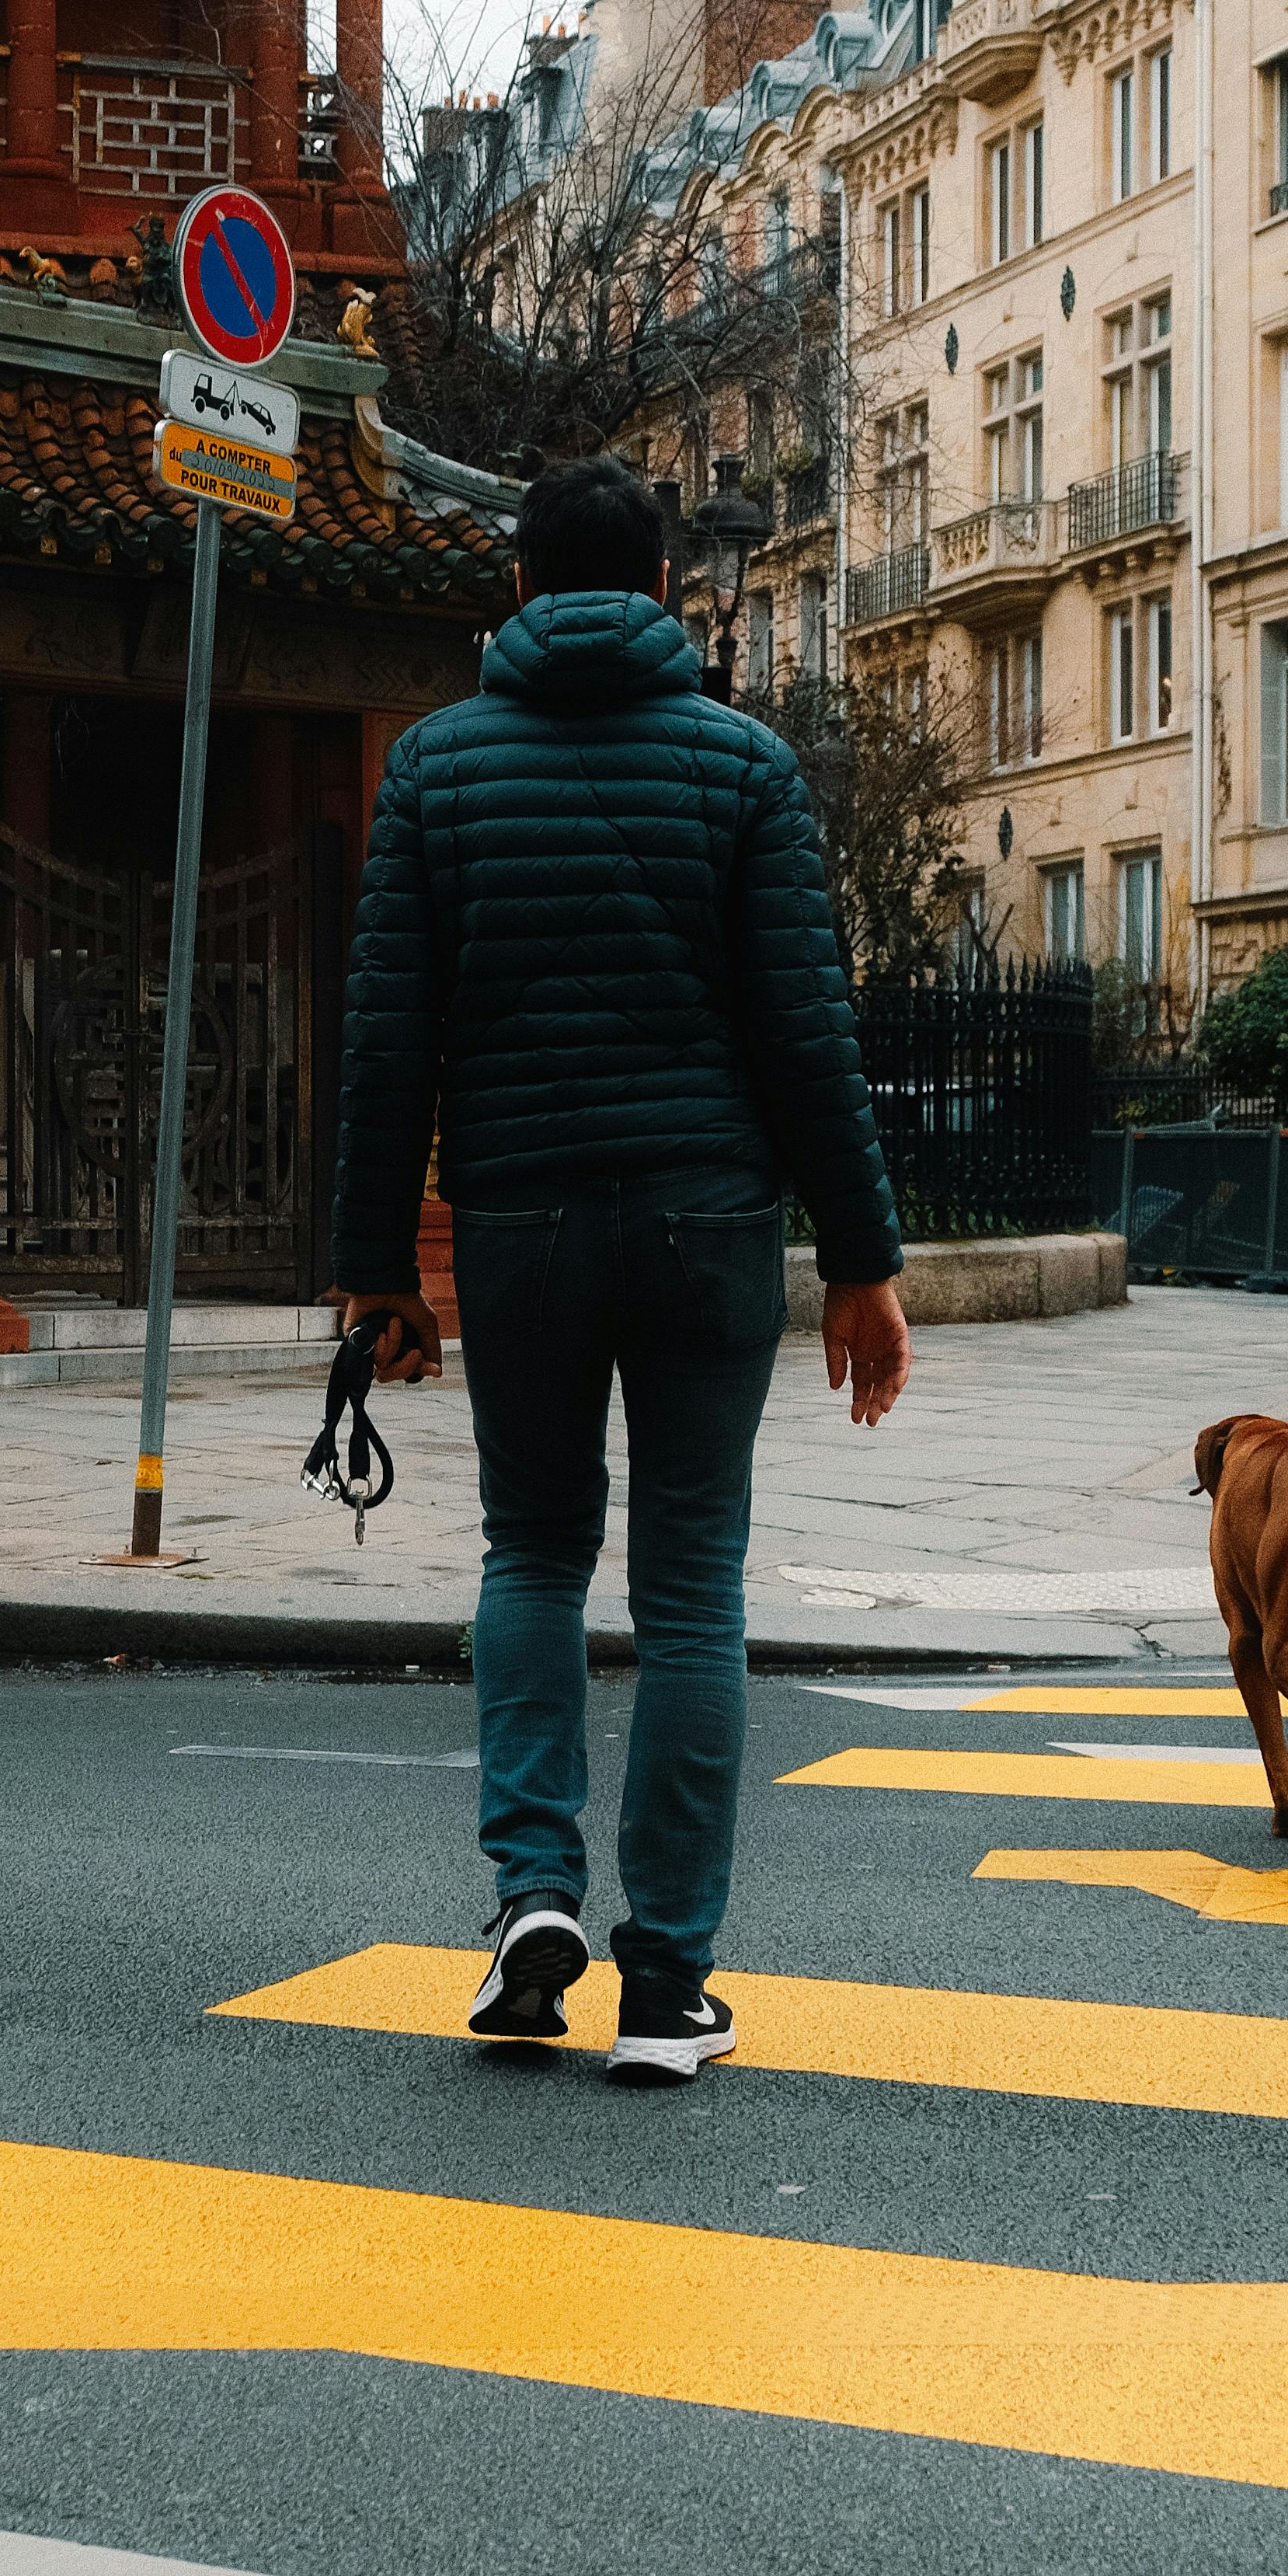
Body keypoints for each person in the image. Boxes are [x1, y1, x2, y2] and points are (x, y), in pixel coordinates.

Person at [327, 454, 910, 2084]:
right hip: (705, 1225)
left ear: (515, 587)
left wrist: (375, 1264)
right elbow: (807, 1034)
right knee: (689, 1587)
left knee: (530, 1552)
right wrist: (860, 1257)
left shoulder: (435, 771)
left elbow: (387, 1043)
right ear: (664, 590)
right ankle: (667, 1979)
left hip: (515, 1222)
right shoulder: (741, 765)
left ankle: (529, 1895)